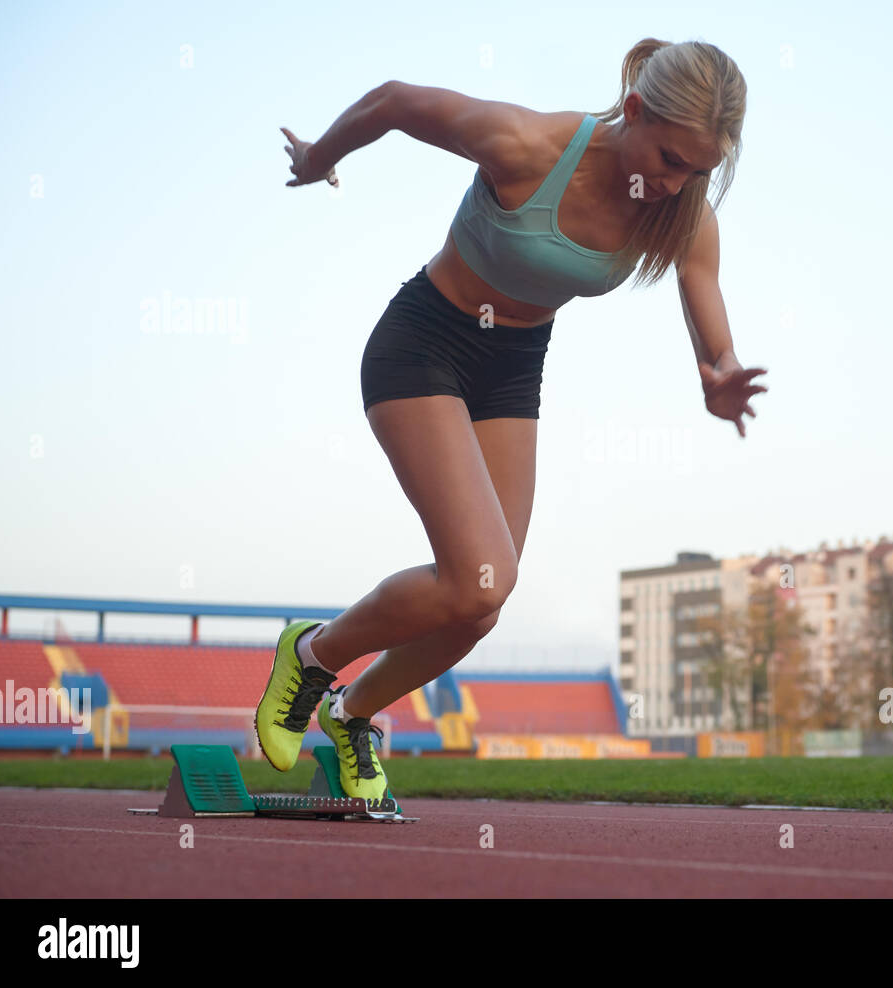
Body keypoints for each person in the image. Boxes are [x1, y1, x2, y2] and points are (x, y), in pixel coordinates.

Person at [255, 37, 766, 799]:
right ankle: (314, 652)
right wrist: (319, 156)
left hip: (511, 368)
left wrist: (721, 375)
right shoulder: (526, 144)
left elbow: (709, 317)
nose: (676, 183)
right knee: (475, 577)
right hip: (424, 341)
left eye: (698, 169)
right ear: (632, 111)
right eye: (668, 158)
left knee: (484, 599)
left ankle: (352, 713)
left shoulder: (685, 215)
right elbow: (394, 100)